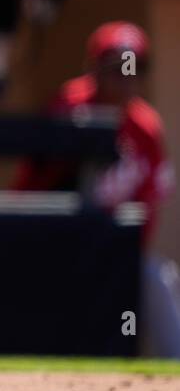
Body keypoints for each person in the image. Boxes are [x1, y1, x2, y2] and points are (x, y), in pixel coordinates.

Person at [14, 21, 172, 243]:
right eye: (118, 68)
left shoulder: (146, 126)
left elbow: (149, 204)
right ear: (95, 69)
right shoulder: (68, 108)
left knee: (164, 279)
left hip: (115, 243)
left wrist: (134, 251)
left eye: (136, 67)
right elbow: (32, 186)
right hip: (57, 238)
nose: (128, 78)